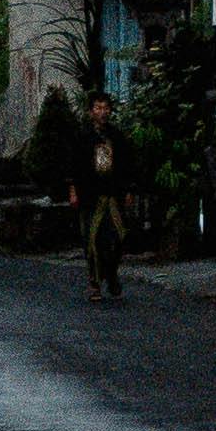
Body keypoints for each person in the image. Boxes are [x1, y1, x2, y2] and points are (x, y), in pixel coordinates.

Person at [80, 88, 136, 304]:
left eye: (105, 108)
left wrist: (128, 189)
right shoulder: (83, 136)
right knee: (92, 241)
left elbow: (127, 164)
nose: (102, 112)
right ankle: (95, 282)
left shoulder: (117, 136)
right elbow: (75, 164)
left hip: (114, 195)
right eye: (98, 108)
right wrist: (73, 189)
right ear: (91, 111)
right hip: (92, 196)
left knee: (119, 237)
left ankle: (111, 272)